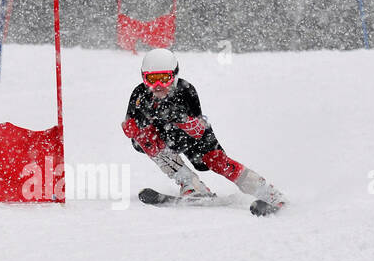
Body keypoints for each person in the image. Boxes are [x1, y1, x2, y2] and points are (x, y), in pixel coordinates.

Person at [121, 48, 287, 211]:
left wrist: (180, 118)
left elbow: (198, 130)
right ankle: (191, 184)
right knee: (143, 138)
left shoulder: (185, 90)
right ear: (144, 77)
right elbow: (130, 127)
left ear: (175, 75)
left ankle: (268, 192)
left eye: (164, 78)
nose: (158, 85)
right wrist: (134, 126)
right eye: (152, 79)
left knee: (218, 161)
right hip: (165, 140)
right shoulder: (139, 94)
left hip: (193, 139)